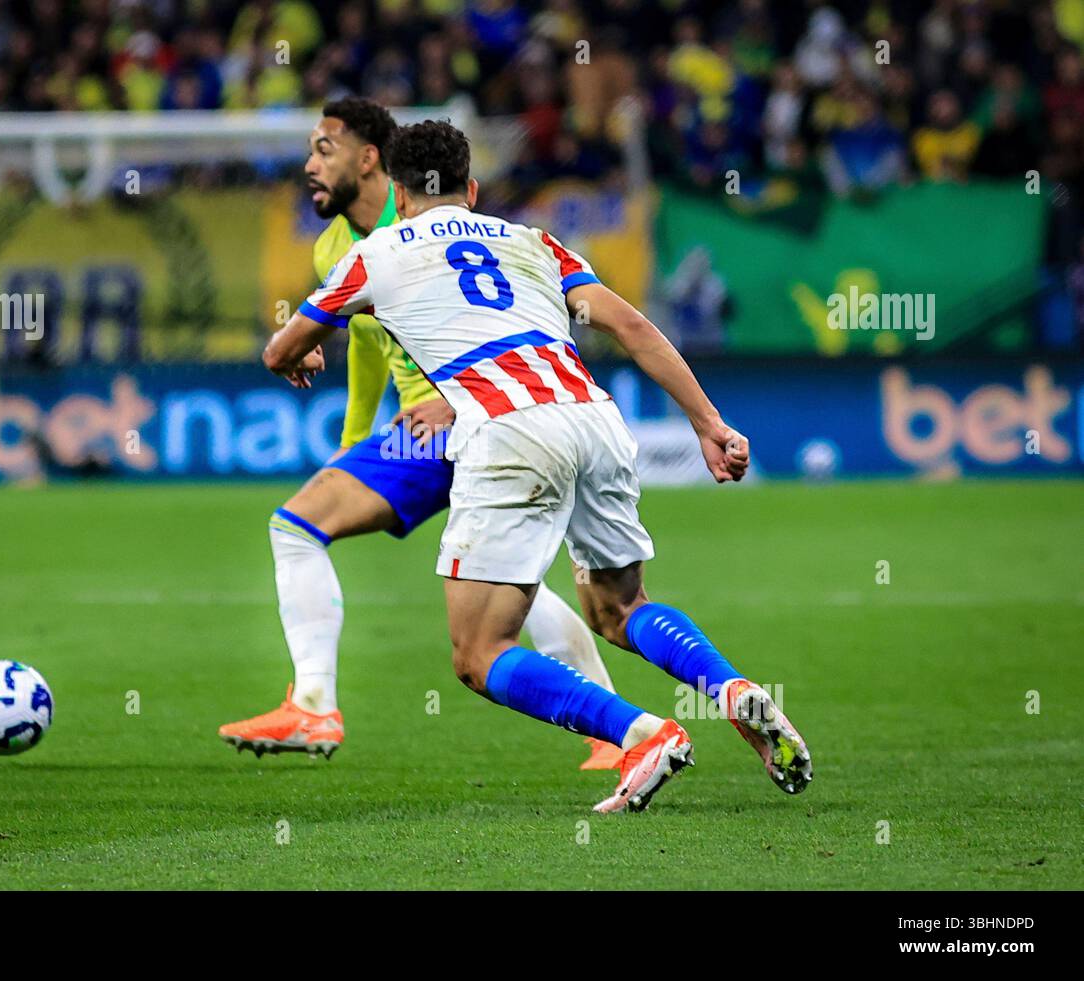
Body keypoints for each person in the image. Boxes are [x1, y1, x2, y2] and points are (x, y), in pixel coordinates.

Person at [264, 120, 812, 812]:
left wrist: (302, 355)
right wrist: (710, 424)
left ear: (398, 193)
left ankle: (639, 733)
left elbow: (283, 348)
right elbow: (634, 328)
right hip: (593, 417)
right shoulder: (533, 241)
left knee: (478, 652)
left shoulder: (375, 252)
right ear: (471, 188)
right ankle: (730, 688)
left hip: (507, 432)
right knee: (621, 607)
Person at [220, 99, 623, 771]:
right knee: (514, 583)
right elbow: (371, 351)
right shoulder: (331, 245)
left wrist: (444, 399)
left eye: (324, 149)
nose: (309, 165)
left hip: (468, 420)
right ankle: (611, 731)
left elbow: (482, 321)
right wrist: (355, 441)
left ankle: (315, 704)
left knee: (296, 528)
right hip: (437, 429)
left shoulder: (411, 223)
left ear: (371, 160)